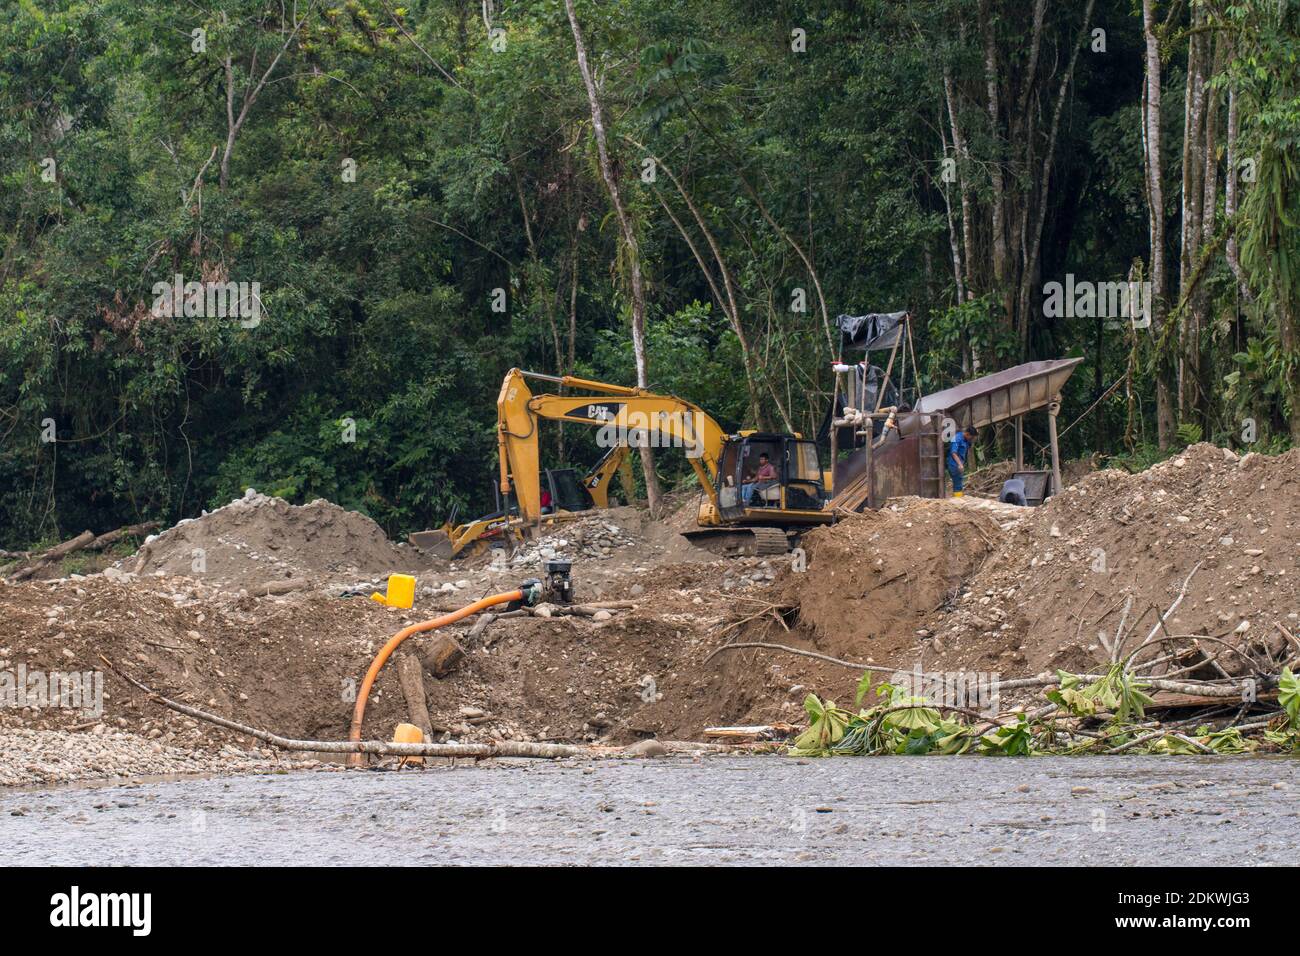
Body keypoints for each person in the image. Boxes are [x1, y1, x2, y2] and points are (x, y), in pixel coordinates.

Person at [948, 425, 977, 497]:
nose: (972, 439)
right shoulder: (957, 438)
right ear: (967, 434)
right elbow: (953, 453)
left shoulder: (966, 439)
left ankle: (958, 498)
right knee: (958, 484)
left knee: (959, 483)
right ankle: (958, 500)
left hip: (958, 463)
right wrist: (960, 464)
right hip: (954, 464)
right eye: (971, 437)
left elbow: (969, 445)